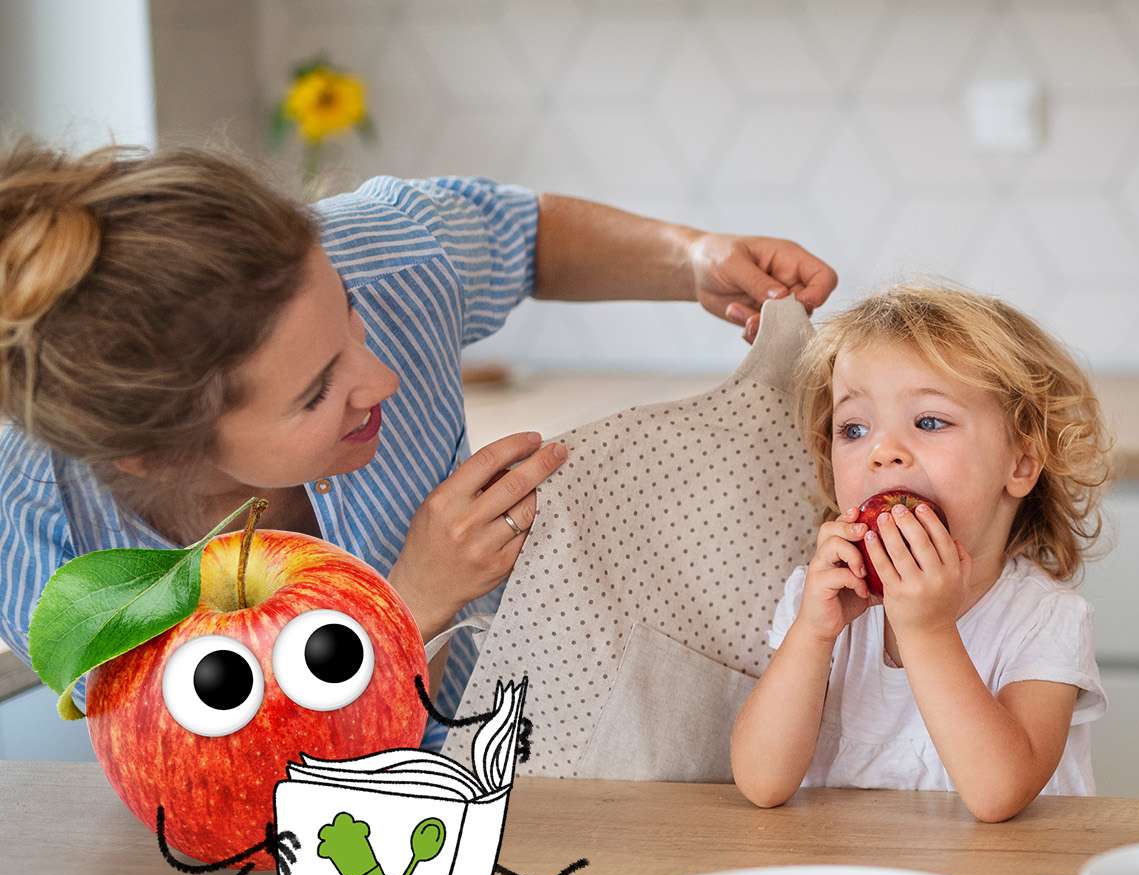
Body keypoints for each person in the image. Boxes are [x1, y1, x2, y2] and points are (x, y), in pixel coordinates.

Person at [0, 140, 837, 740]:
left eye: (351, 315)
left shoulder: (377, 255)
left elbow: (519, 233)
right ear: (156, 454)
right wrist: (408, 605)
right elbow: (220, 771)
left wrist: (690, 257)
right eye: (316, 391)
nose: (382, 380)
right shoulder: (43, 539)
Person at [732, 285, 1113, 822]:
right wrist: (813, 634)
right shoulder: (815, 603)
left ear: (1021, 463)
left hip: (998, 873)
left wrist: (928, 631)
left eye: (929, 422)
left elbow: (1000, 793)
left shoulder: (1044, 619)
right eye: (854, 428)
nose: (883, 451)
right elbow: (761, 782)